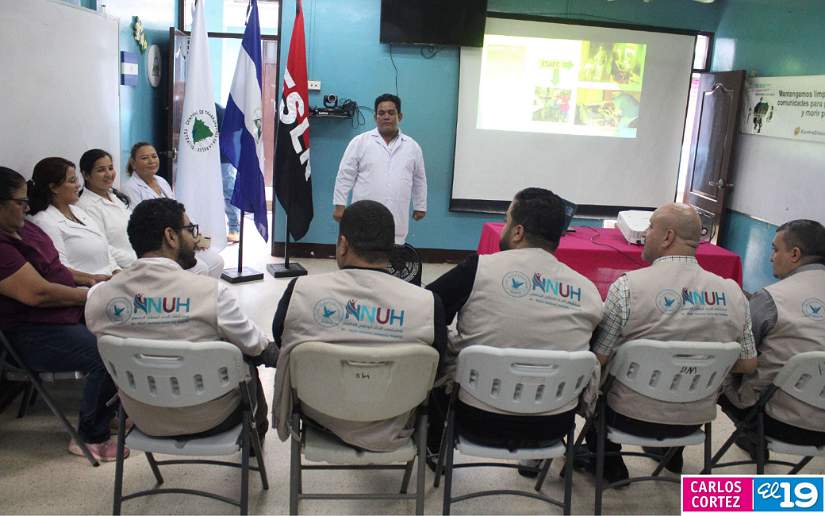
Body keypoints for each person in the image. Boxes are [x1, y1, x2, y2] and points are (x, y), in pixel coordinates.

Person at [426, 188, 602, 468]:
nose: (504, 228)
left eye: (506, 220)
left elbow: (427, 309)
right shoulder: (589, 290)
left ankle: (434, 447)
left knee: (435, 346)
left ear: (518, 231)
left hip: (476, 419)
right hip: (552, 427)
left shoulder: (479, 269)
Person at [586, 203, 757, 481]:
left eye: (651, 227)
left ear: (667, 237)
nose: (646, 233)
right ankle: (671, 454)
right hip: (692, 419)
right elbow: (748, 364)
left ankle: (609, 463)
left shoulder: (627, 287)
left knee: (595, 379)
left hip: (626, 415)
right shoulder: (733, 293)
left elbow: (599, 359)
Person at [85, 198, 275, 439]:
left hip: (143, 417)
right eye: (189, 230)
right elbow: (255, 344)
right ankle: (253, 445)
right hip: (213, 416)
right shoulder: (210, 293)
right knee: (244, 356)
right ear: (170, 236)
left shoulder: (100, 297)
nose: (194, 238)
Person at [272, 200, 446, 452]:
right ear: (392, 250)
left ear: (343, 244)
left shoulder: (301, 291)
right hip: (393, 420)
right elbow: (436, 368)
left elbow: (281, 340)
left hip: (318, 414)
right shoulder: (428, 304)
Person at [0, 166, 125, 462]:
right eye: (20, 202)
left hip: (66, 312)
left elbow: (55, 269)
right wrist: (90, 296)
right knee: (106, 353)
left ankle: (119, 411)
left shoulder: (24, 228)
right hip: (34, 332)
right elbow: (37, 293)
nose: (26, 208)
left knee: (128, 330)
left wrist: (91, 279)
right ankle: (90, 435)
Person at [720, 219, 825, 453]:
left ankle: (668, 450)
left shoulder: (770, 299)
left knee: (712, 365)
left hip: (775, 420)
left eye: (776, 249)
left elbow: (739, 353)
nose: (771, 257)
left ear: (795, 254)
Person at [332, 94, 427, 244]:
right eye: (381, 113)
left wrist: (420, 205)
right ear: (375, 117)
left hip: (397, 213)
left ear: (400, 116)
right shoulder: (360, 142)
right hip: (364, 214)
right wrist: (339, 205)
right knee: (362, 251)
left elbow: (419, 179)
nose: (386, 117)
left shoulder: (412, 147)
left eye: (391, 113)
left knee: (392, 253)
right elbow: (345, 175)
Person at [121, 142, 224, 278]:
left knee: (216, 261)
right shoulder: (130, 188)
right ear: (133, 163)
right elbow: (147, 222)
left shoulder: (161, 181)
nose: (151, 161)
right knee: (201, 268)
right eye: (144, 158)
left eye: (154, 156)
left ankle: (205, 296)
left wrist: (193, 236)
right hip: (161, 242)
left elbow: (177, 211)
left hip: (179, 234)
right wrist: (184, 238)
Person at [27, 157, 119, 277]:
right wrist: (96, 279)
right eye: (72, 181)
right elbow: (61, 268)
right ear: (53, 187)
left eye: (76, 180)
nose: (78, 185)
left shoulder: (78, 211)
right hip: (84, 287)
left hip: (108, 280)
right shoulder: (44, 221)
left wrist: (117, 271)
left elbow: (104, 248)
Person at [76, 149, 137, 269]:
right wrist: (135, 260)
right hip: (120, 268)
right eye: (101, 170)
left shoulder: (114, 196)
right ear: (86, 174)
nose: (109, 174)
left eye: (110, 168)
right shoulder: (85, 206)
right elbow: (102, 247)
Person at [215, 103, 241, 243]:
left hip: (224, 157)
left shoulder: (219, 111)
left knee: (228, 192)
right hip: (204, 158)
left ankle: (234, 228)